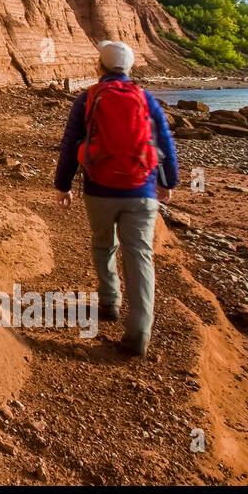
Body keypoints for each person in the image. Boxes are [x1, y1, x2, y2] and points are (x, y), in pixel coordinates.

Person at [52, 41, 178, 356]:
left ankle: (109, 301)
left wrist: (63, 185)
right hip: (142, 191)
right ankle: (138, 333)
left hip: (99, 189)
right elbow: (164, 142)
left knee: (103, 244)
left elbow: (70, 145)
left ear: (100, 68)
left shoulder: (87, 99)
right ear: (129, 69)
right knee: (139, 256)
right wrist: (167, 181)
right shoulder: (146, 99)